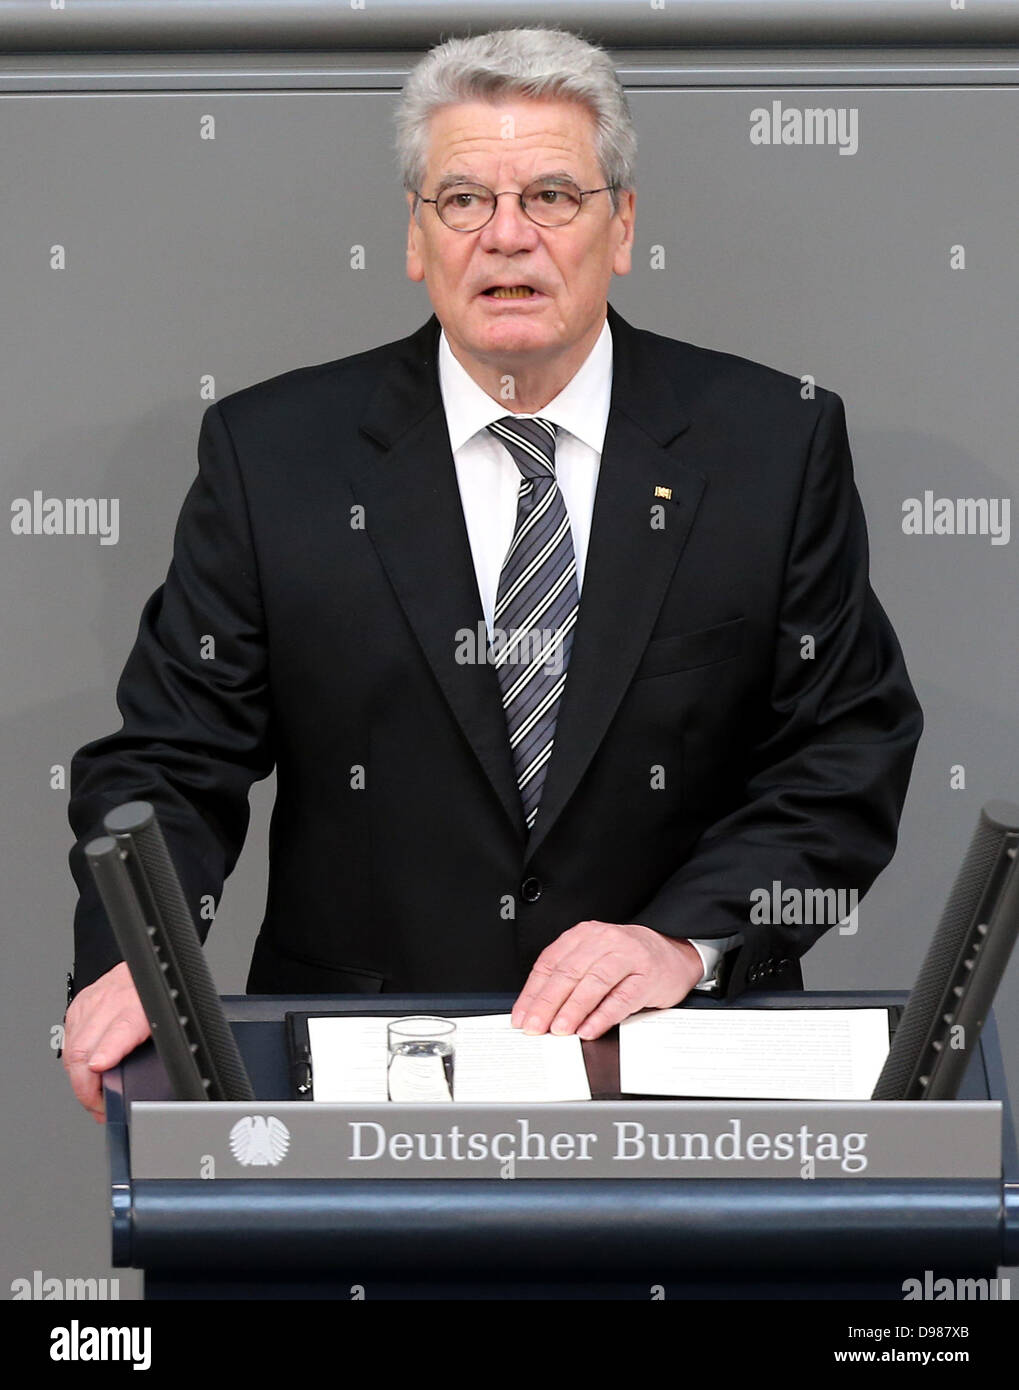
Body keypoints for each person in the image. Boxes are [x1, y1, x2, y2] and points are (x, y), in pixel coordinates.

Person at [63, 26, 923, 1121]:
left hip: (674, 1075)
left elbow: (843, 751)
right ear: (416, 237)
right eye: (462, 199)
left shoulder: (769, 444)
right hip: (355, 1087)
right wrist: (139, 954)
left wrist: (678, 940)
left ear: (622, 226)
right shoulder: (274, 454)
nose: (505, 237)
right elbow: (174, 758)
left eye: (552, 196)